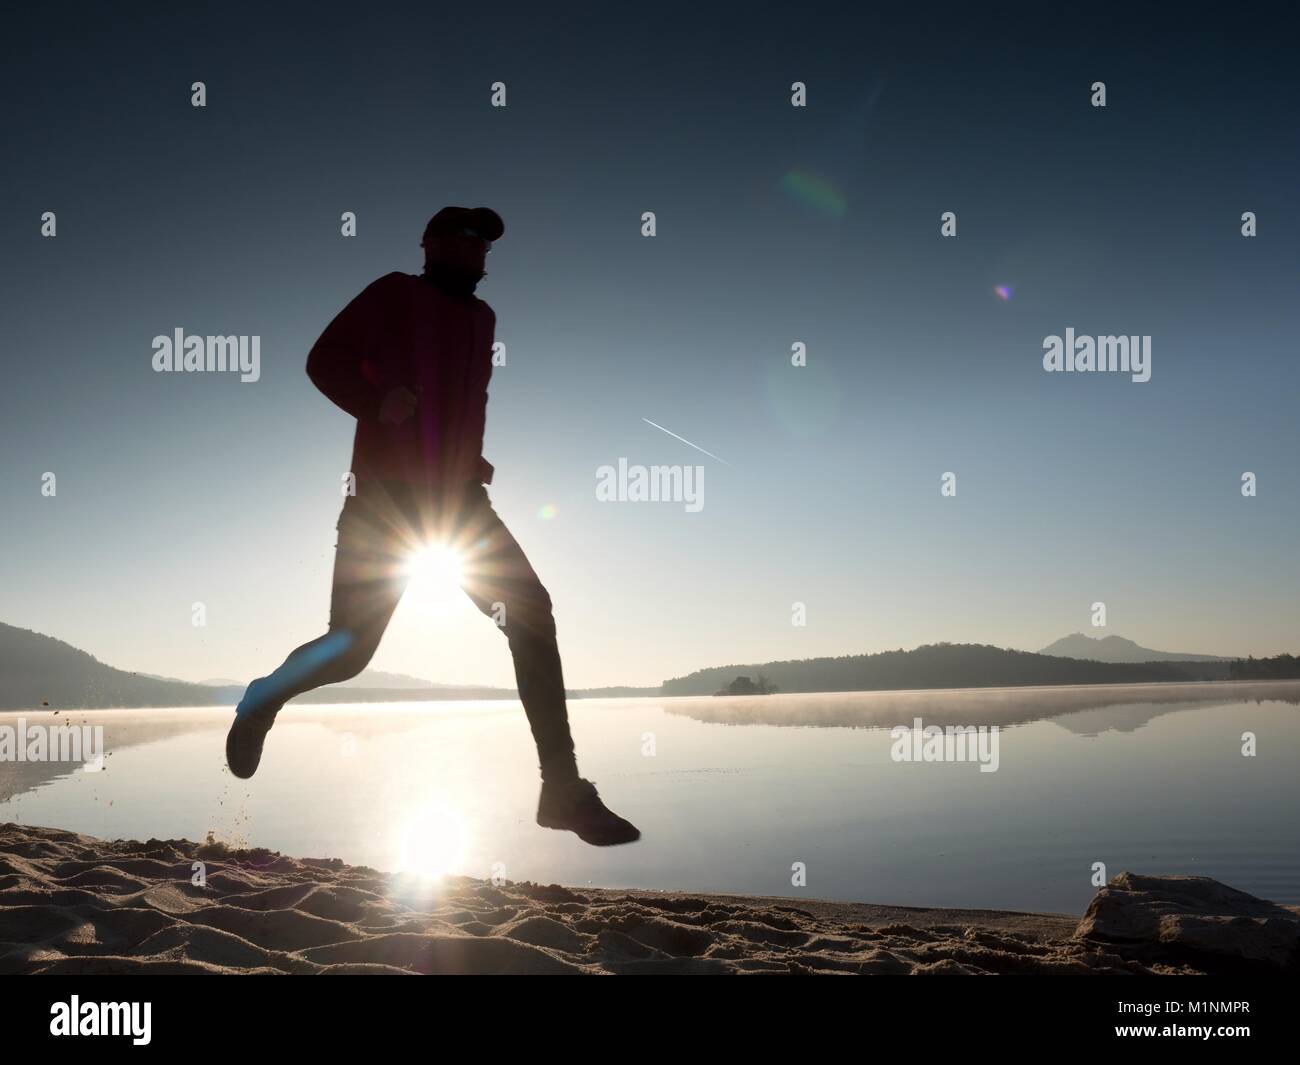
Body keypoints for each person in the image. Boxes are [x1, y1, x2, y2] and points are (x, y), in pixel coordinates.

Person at [225, 206, 640, 847]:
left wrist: (466, 455)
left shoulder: (483, 320)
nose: (478, 251)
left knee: (532, 614)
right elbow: (321, 359)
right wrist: (377, 400)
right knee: (352, 651)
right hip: (383, 502)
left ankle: (561, 789)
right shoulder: (394, 292)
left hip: (458, 504)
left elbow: (460, 403)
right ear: (433, 244)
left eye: (485, 243)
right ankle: (264, 696)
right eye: (466, 237)